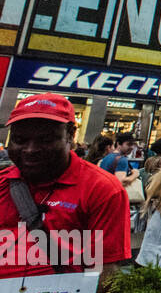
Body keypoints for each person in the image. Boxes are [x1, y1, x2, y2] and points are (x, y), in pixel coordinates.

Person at [0, 93, 131, 277]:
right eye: (20, 140)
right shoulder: (3, 181)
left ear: (70, 135)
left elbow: (104, 272)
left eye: (45, 140)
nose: (30, 150)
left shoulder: (102, 189)